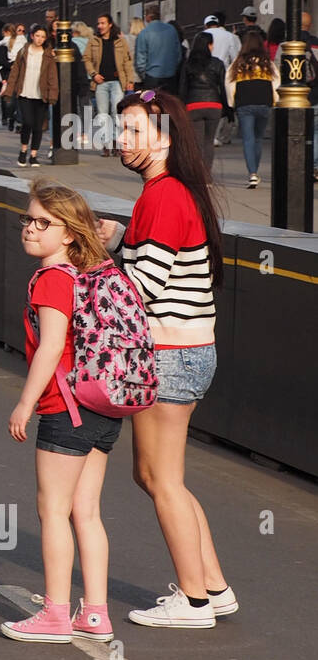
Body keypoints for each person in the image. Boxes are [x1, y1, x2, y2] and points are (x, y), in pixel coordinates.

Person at [99, 91, 235, 628]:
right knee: (161, 475)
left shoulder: (161, 196)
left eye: (135, 131)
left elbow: (142, 288)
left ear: (166, 138)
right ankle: (213, 586)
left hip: (168, 353)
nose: (123, 141)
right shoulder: (175, 193)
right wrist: (118, 238)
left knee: (161, 479)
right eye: (123, 129)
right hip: (190, 348)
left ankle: (194, 601)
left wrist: (88, 278)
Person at [3, 181, 120, 643]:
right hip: (102, 406)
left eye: (42, 223)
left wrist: (24, 404)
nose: (30, 229)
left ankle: (54, 614)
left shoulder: (53, 279)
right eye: (27, 219)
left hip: (64, 406)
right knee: (86, 511)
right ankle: (95, 612)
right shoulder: (90, 272)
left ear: (69, 233)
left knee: (52, 510)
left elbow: (51, 347)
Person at [225, 27, 280, 188]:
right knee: (258, 138)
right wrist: (275, 101)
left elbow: (229, 83)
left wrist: (231, 103)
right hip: (264, 102)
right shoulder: (267, 63)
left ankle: (252, 173)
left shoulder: (238, 63)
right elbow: (276, 83)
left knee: (248, 139)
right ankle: (255, 169)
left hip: (245, 103)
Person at [4, 24, 58, 167]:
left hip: (41, 94)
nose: (40, 39)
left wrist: (53, 94)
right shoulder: (23, 52)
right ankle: (23, 151)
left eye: (43, 37)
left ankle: (33, 155)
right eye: (37, 36)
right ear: (32, 36)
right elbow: (15, 72)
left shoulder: (48, 54)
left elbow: (52, 76)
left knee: (38, 126)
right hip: (25, 93)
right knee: (27, 122)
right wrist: (9, 90)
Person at [83, 13, 135, 155]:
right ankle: (106, 145)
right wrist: (94, 74)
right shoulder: (94, 40)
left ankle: (116, 143)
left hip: (117, 81)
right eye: (98, 23)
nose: (100, 26)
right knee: (102, 114)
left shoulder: (120, 41)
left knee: (116, 113)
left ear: (110, 24)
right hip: (101, 82)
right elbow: (86, 58)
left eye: (103, 23)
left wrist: (130, 80)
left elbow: (127, 61)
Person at [177, 31, 228, 171]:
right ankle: (207, 175)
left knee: (197, 143)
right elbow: (222, 88)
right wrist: (227, 108)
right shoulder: (218, 64)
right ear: (210, 45)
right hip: (214, 105)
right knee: (208, 142)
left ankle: (197, 173)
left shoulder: (188, 64)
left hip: (194, 105)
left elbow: (182, 88)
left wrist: (181, 107)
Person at [134, 3, 182, 91]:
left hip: (152, 76)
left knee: (151, 103)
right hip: (170, 75)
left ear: (147, 17)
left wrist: (144, 76)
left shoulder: (144, 33)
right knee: (169, 103)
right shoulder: (171, 29)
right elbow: (178, 54)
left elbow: (140, 59)